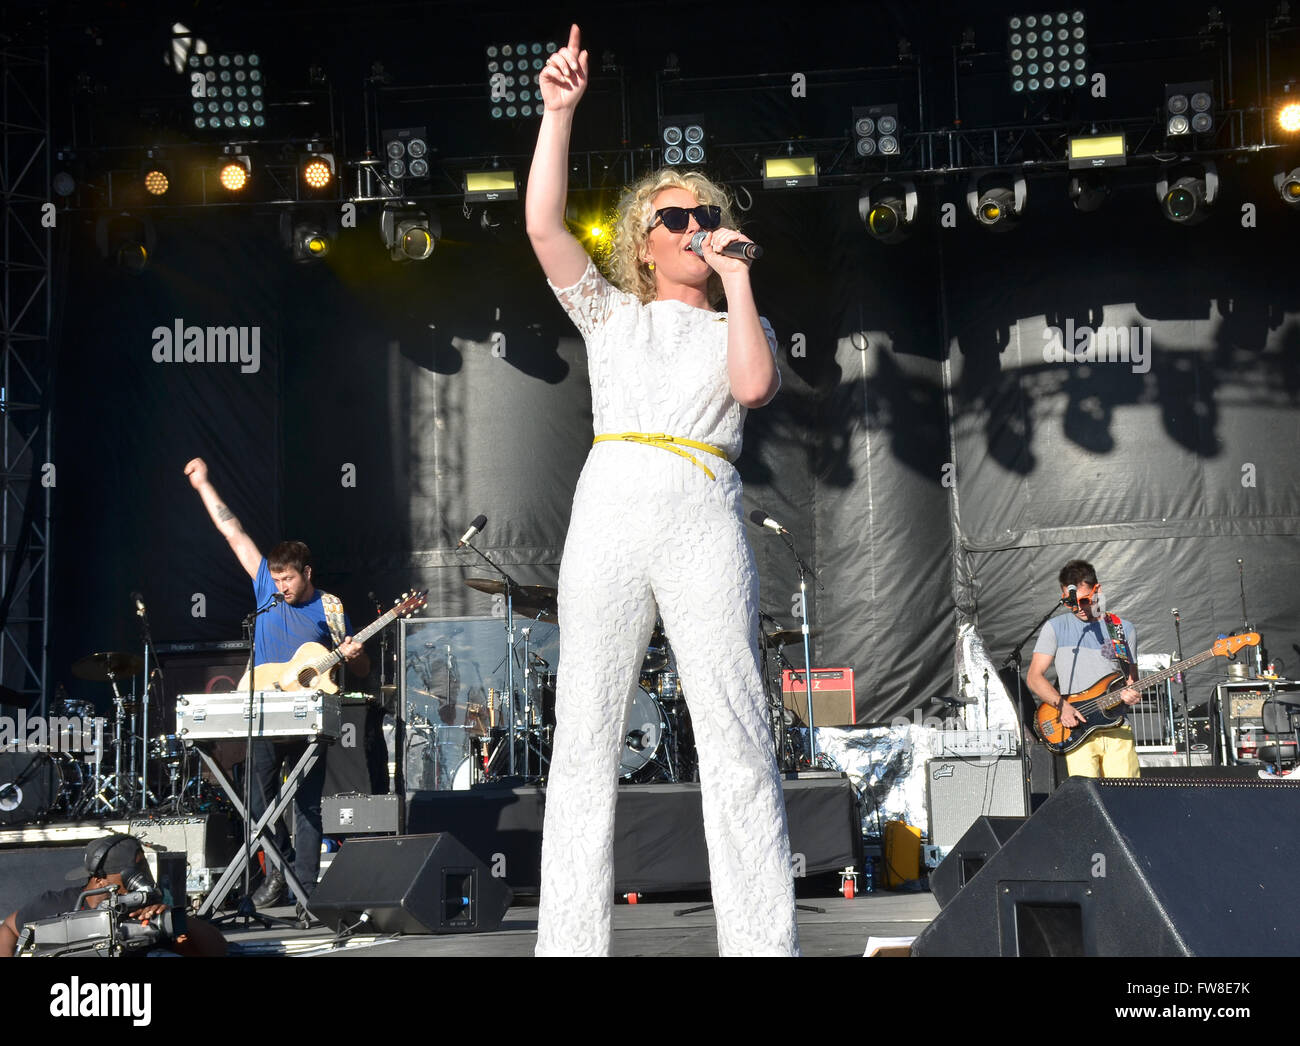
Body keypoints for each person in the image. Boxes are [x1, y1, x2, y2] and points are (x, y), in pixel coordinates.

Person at [527, 25, 799, 956]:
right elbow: (544, 228)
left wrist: (738, 278)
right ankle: (568, 946)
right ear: (643, 246)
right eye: (674, 220)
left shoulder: (733, 320)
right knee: (585, 735)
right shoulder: (611, 315)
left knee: (735, 729)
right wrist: (558, 114)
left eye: (703, 216)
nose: (693, 228)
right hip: (610, 510)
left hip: (701, 510)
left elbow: (756, 387)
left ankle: (764, 944)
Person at [184, 457, 371, 907]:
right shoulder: (265, 586)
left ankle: (306, 889)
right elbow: (233, 530)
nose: (282, 586)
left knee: (306, 804)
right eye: (278, 578)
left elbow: (356, 671)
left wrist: (355, 659)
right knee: (252, 797)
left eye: (288, 579)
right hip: (267, 709)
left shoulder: (330, 606)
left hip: (309, 714)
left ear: (308, 573)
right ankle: (279, 869)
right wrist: (203, 484)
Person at [0, 833, 227, 957]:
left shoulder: (144, 913)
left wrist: (177, 922)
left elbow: (217, 949)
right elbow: (9, 929)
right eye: (132, 876)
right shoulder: (55, 904)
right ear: (100, 879)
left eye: (143, 871)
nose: (143, 880)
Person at [1027, 559, 1142, 778]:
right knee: (1086, 799)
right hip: (1078, 729)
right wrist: (1062, 707)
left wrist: (1132, 693)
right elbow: (1034, 677)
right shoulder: (1055, 627)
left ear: (1097, 590)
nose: (1078, 608)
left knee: (1128, 798)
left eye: (1084, 600)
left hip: (1117, 727)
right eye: (1071, 602)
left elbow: (1131, 681)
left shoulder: (1122, 629)